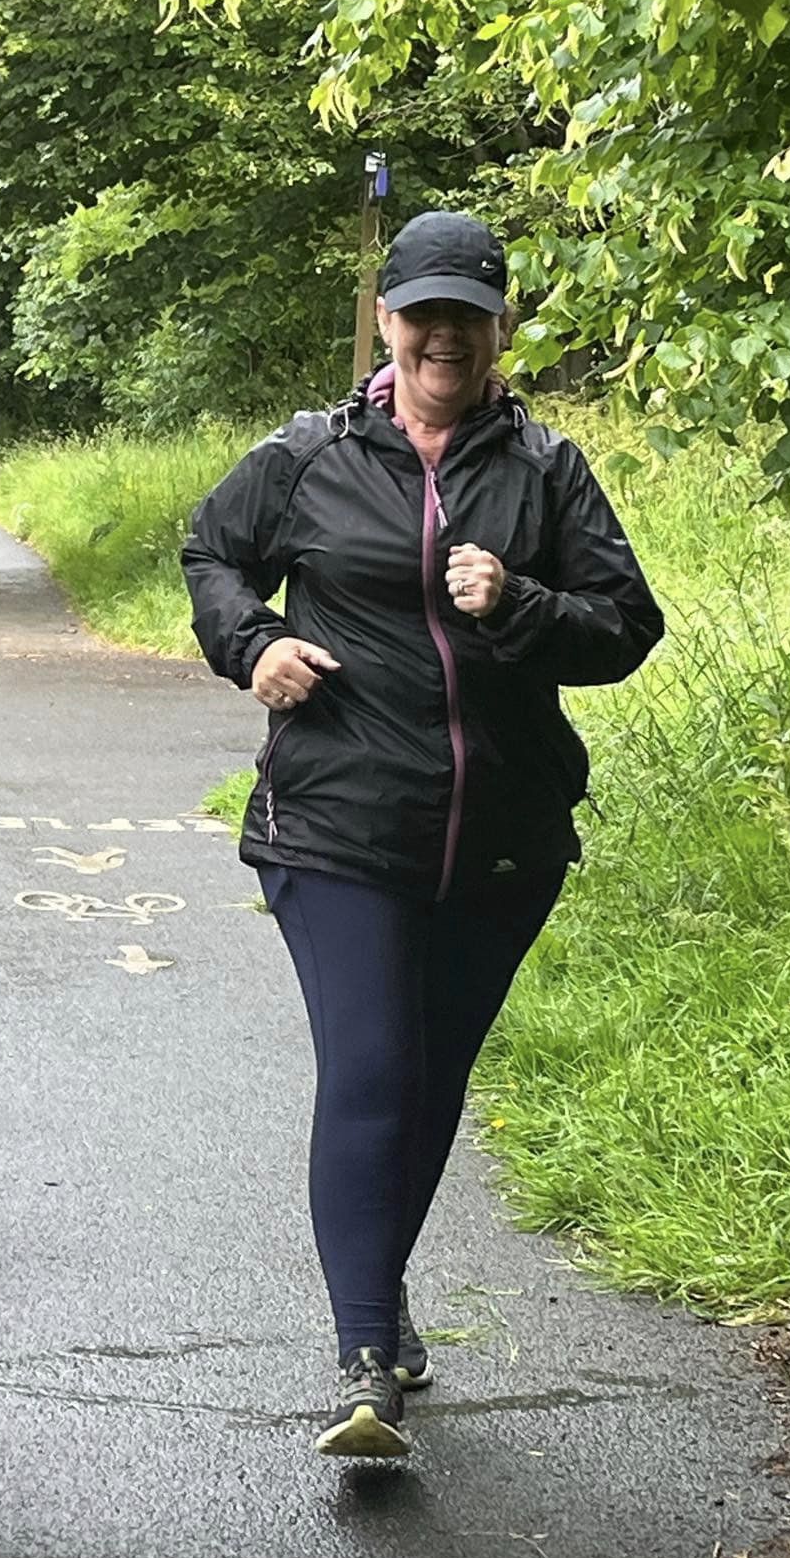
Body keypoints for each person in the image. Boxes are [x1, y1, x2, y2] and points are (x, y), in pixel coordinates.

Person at [182, 211, 663, 1457]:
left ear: (502, 327)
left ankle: (380, 1301)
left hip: (501, 834)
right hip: (339, 818)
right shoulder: (304, 458)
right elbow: (211, 554)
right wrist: (253, 646)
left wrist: (522, 599)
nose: (444, 332)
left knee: (434, 1077)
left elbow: (626, 629)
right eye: (422, 311)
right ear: (388, 325)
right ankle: (362, 1360)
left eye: (470, 312)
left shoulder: (548, 471)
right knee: (377, 1064)